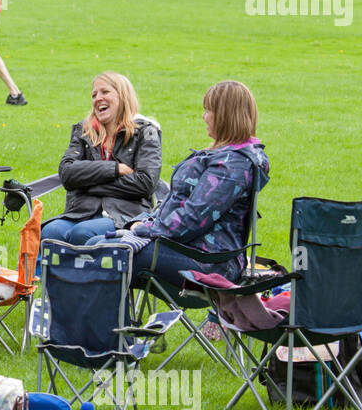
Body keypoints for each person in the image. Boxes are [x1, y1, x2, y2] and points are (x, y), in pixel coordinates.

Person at [107, 81, 269, 286]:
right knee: (96, 247)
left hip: (209, 261)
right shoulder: (225, 156)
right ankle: (101, 319)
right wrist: (143, 223)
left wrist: (144, 229)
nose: (204, 117)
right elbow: (177, 206)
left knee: (106, 256)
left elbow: (193, 218)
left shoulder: (233, 165)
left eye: (208, 111)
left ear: (224, 117)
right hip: (185, 247)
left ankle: (101, 319)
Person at [40, 72, 162, 256]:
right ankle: (53, 284)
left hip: (125, 214)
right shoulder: (84, 131)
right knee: (50, 233)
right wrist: (114, 169)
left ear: (123, 96)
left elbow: (145, 183)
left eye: (105, 92)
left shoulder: (146, 132)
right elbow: (67, 173)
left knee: (82, 233)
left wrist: (88, 184)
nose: (98, 98)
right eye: (94, 94)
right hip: (81, 211)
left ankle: (89, 283)